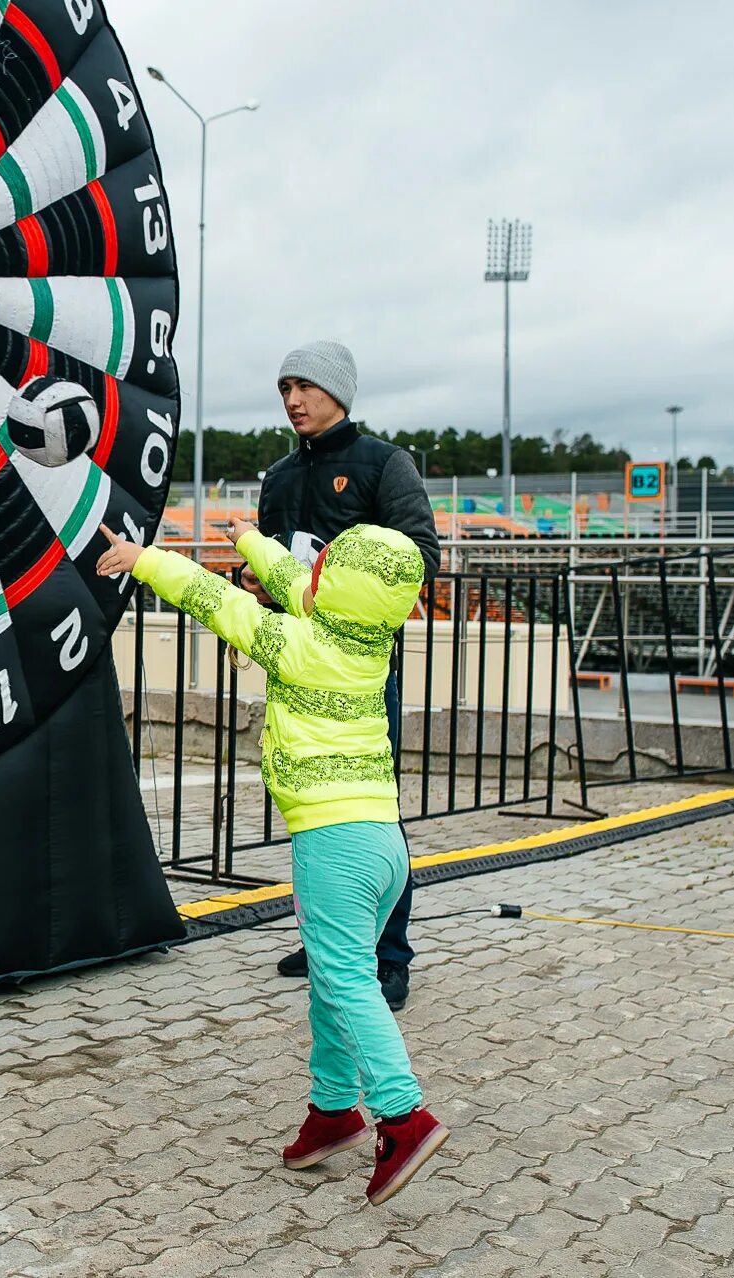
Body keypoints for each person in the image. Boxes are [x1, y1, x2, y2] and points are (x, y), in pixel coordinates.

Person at [97, 518, 449, 1204]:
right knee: (333, 977)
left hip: (334, 842)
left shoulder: (297, 646)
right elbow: (290, 581)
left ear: (332, 588)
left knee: (347, 980)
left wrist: (144, 560)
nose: (307, 572)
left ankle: (403, 1118)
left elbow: (216, 601)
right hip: (384, 844)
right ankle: (332, 1113)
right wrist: (252, 540)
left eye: (321, 568)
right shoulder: (371, 640)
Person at [247, 340, 439, 1011]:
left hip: (360, 670)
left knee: (371, 810)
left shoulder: (385, 463)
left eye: (304, 386)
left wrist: (343, 574)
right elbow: (271, 570)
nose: (293, 400)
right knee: (309, 810)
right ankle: (325, 940)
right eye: (284, 388)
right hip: (296, 666)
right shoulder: (278, 476)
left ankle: (390, 957)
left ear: (338, 390)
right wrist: (258, 580)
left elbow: (422, 556)